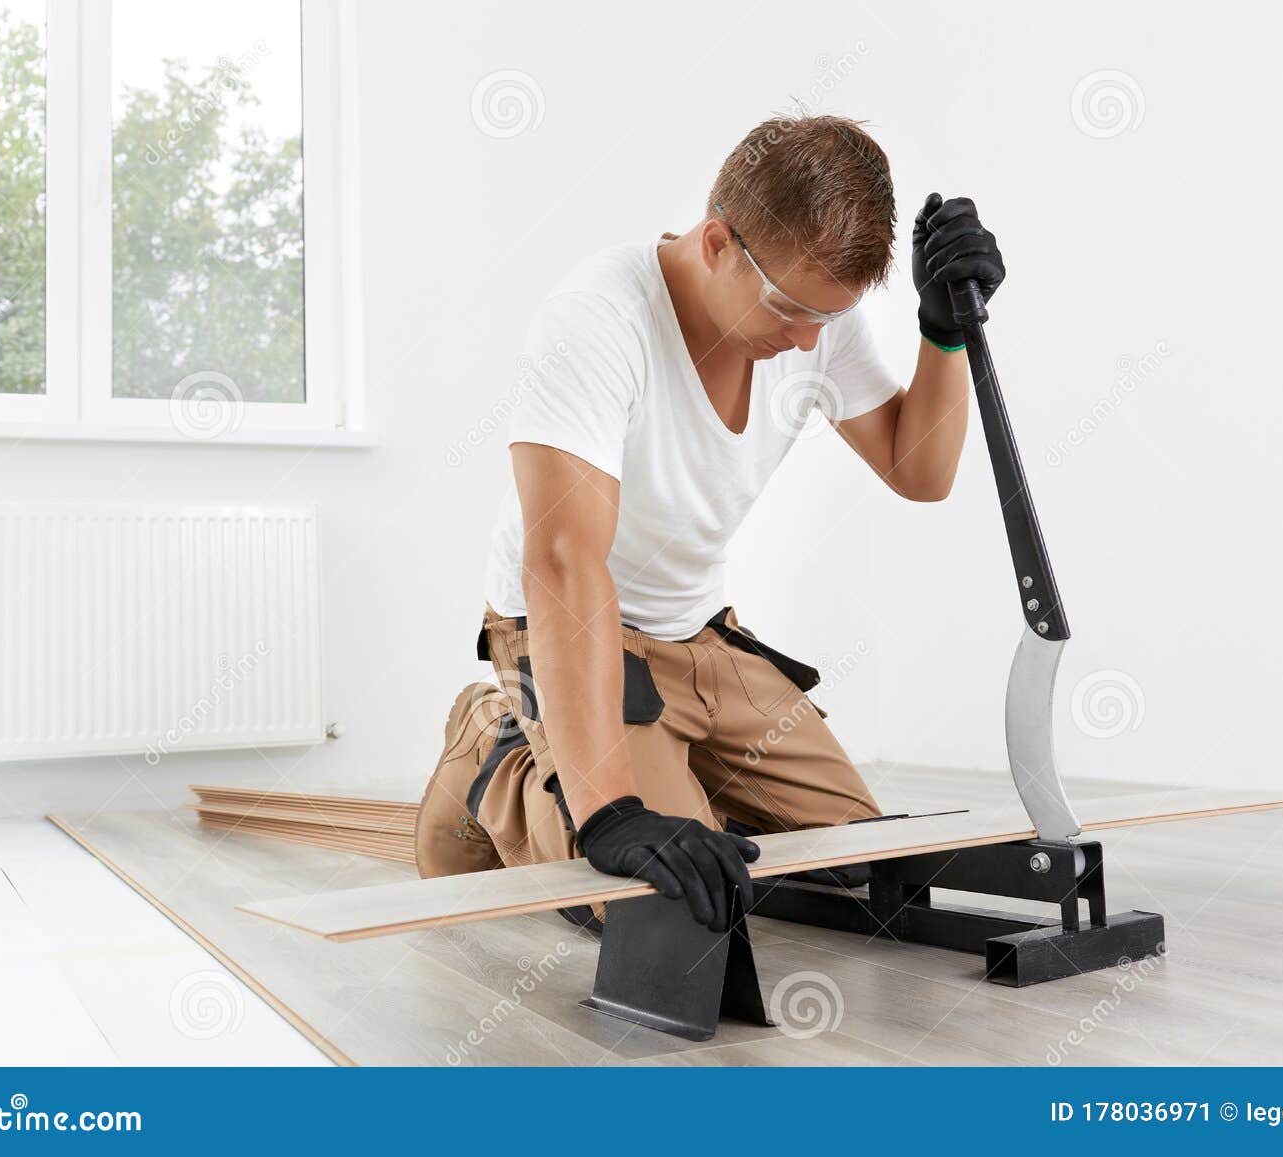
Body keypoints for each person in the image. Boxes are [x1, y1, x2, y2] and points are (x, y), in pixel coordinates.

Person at [415, 114, 1005, 932]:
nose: (806, 339)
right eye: (791, 307)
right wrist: (611, 811)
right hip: (573, 626)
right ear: (718, 242)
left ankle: (667, 773)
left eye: (826, 319)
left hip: (701, 637)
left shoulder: (814, 320)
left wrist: (943, 335)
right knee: (651, 904)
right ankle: (498, 745)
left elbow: (922, 472)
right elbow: (561, 559)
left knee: (859, 874)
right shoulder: (598, 317)